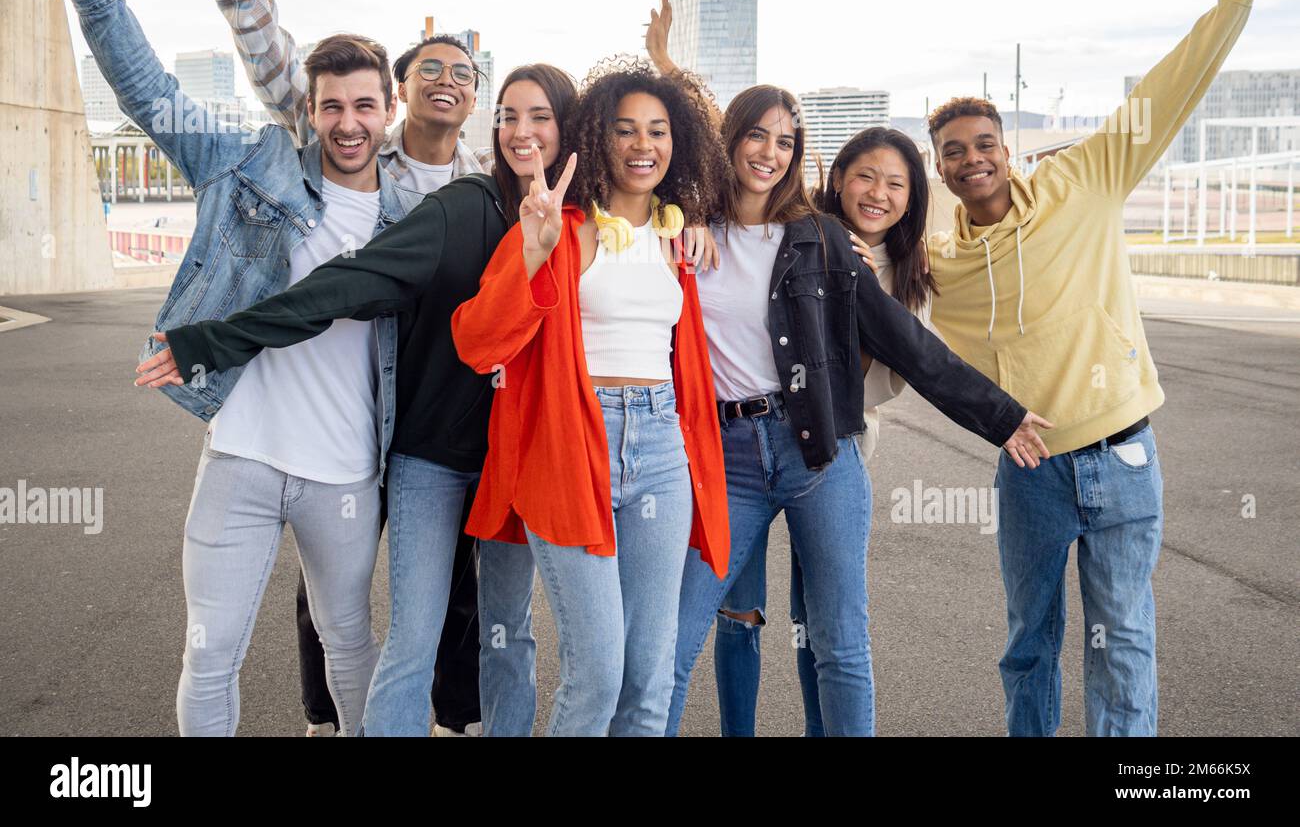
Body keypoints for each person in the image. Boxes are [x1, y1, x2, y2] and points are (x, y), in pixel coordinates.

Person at [27, 0, 408, 736]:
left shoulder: (413, 215)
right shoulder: (250, 161)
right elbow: (153, 97)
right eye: (330, 107)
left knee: (350, 644)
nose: (347, 123)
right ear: (307, 111)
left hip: (345, 471)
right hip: (238, 456)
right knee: (209, 651)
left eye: (363, 105)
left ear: (386, 110)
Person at [642, 0, 1051, 737]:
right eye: (756, 135)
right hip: (723, 460)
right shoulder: (686, 229)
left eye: (785, 141)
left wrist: (1002, 416)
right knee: (669, 642)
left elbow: (912, 348)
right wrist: (670, 67)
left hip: (819, 455)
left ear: (798, 155)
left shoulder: (822, 241)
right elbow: (679, 126)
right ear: (731, 140)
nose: (768, 151)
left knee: (840, 643)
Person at [140, 65, 579, 737]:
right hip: (431, 457)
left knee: (508, 637)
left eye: (540, 116)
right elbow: (347, 284)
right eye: (510, 115)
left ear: (568, 128)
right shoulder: (462, 208)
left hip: (517, 463)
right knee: (410, 638)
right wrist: (219, 338)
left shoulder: (589, 226)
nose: (522, 131)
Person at [924, 0, 1264, 737]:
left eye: (983, 144)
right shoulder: (941, 265)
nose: (971, 158)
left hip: (1122, 455)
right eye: (952, 151)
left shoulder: (1087, 181)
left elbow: (1165, 93)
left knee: (1125, 645)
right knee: (1028, 647)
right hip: (1031, 473)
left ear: (1006, 150)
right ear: (938, 167)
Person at [181, 0, 485, 736]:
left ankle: (449, 717)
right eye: (428, 67)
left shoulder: (485, 188)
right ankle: (324, 717)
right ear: (403, 91)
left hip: (435, 416)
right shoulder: (361, 163)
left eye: (460, 73)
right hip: (345, 422)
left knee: (437, 591)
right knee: (327, 603)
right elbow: (280, 71)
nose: (443, 83)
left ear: (472, 94)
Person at [451, 60, 730, 735]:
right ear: (596, 139)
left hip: (662, 446)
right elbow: (478, 340)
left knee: (649, 677)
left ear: (678, 143)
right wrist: (531, 252)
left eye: (658, 131)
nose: (643, 144)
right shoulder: (565, 227)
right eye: (624, 129)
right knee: (598, 672)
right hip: (574, 446)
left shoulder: (676, 236)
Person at [710, 125, 941, 737]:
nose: (878, 193)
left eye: (896, 184)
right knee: (740, 610)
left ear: (912, 199)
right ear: (837, 178)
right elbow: (727, 150)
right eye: (866, 175)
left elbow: (899, 365)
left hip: (836, 453)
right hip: (746, 439)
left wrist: (849, 289)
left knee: (821, 619)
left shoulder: (907, 273)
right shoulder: (800, 229)